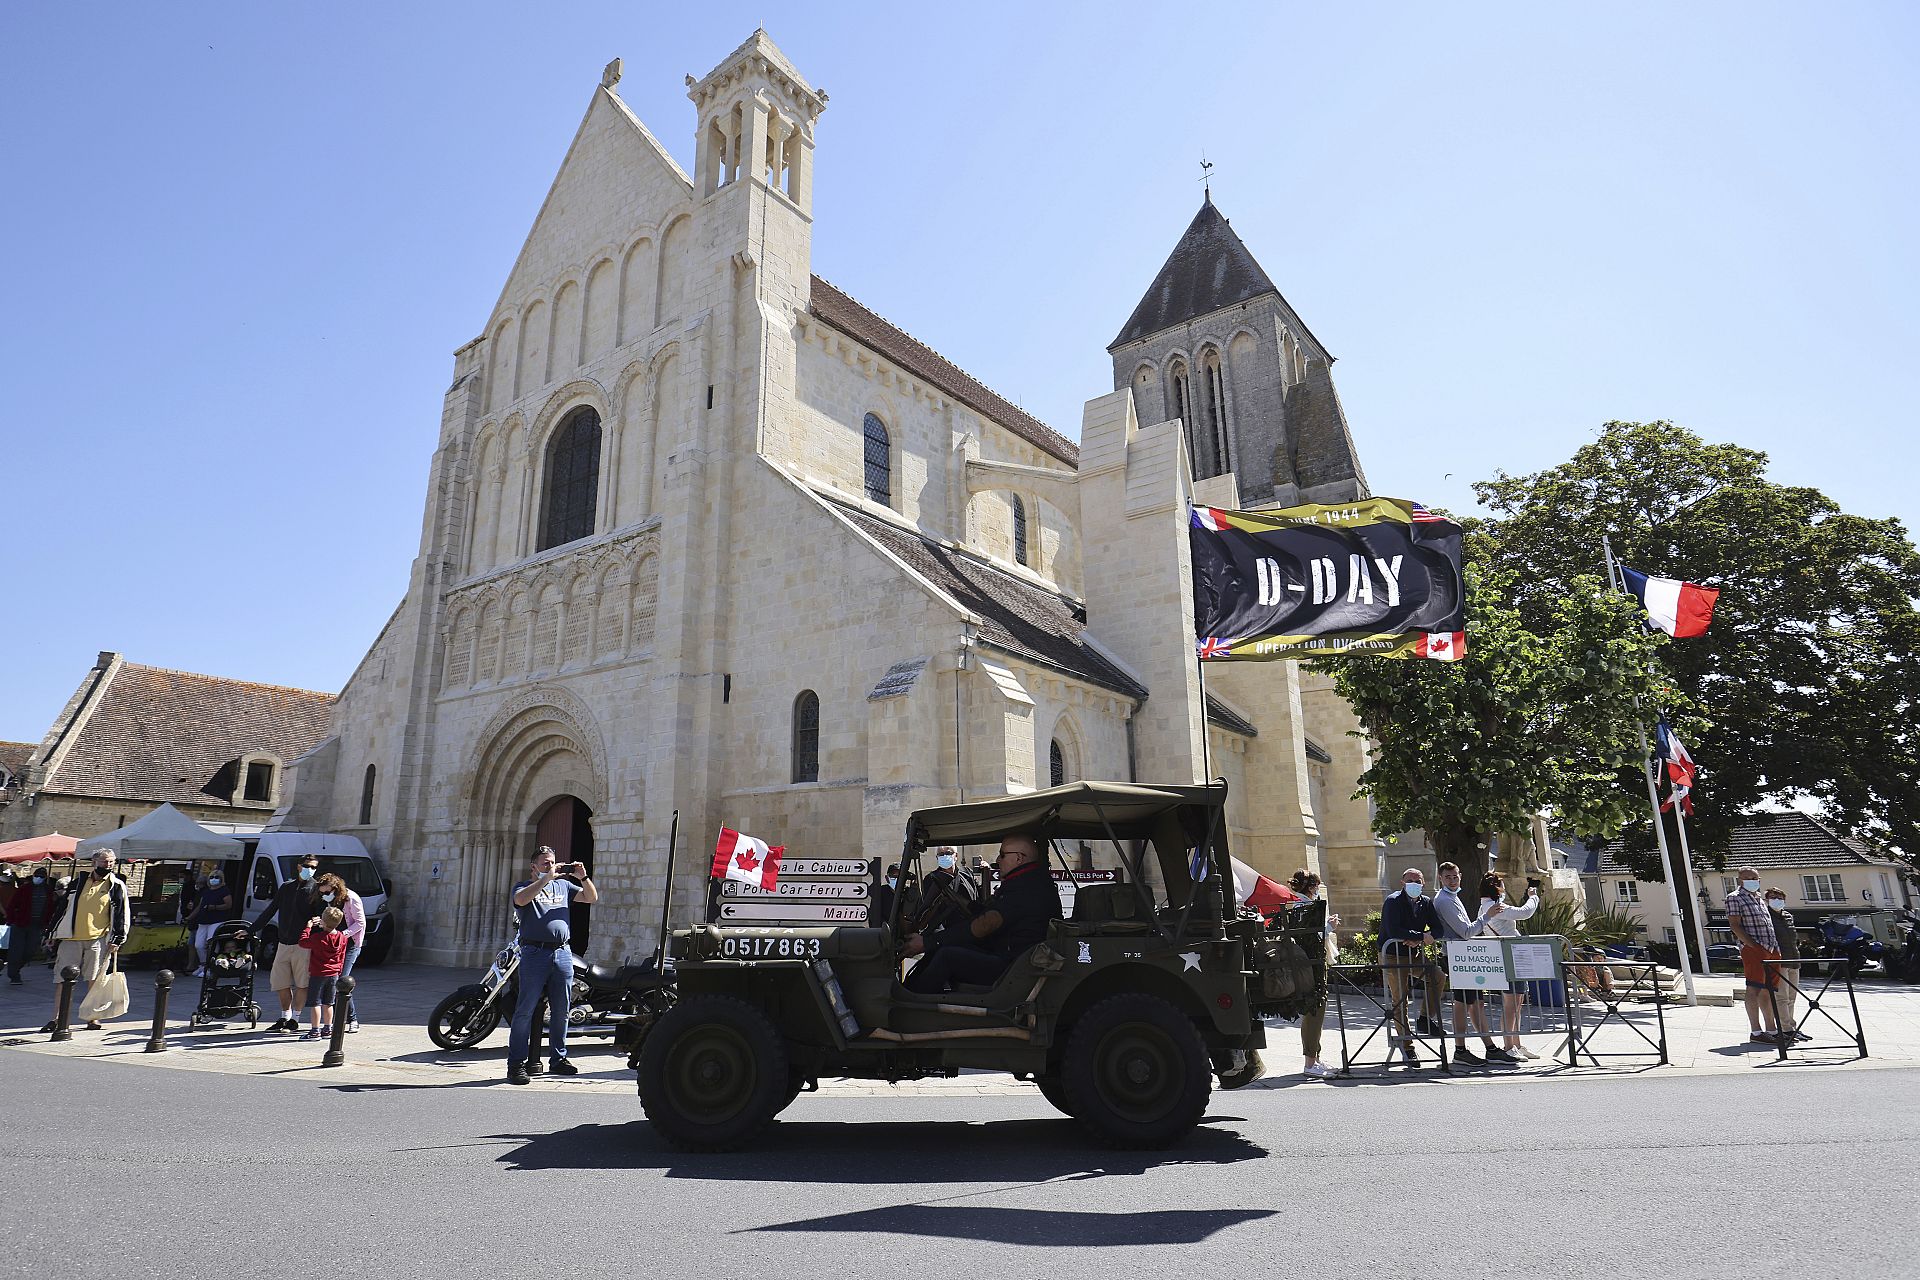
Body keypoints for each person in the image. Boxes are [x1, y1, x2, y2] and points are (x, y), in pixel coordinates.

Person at [902, 834, 1061, 993]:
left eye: (1003, 855)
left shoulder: (1025, 887)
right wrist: (963, 903)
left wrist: (927, 943)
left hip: (1013, 965)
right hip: (1014, 957)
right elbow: (993, 912)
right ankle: (910, 992)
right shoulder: (1028, 882)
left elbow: (985, 924)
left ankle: (910, 1002)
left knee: (946, 956)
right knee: (944, 946)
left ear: (1019, 858)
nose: (998, 860)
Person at [505, 845, 599, 1085]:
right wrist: (545, 879)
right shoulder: (523, 887)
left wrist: (583, 876)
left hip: (563, 952)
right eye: (545, 863)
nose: (551, 866)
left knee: (561, 1010)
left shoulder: (564, 886)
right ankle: (516, 1064)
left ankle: (558, 1059)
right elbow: (520, 900)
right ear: (533, 866)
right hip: (535, 953)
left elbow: (591, 898)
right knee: (524, 1010)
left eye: (553, 862)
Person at [43, 849, 132, 1031]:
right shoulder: (78, 882)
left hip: (97, 939)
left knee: (94, 981)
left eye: (111, 862)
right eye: (105, 861)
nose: (108, 865)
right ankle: (57, 1018)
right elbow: (62, 909)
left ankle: (92, 1018)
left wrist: (117, 939)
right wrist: (51, 933)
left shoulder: (116, 886)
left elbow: (122, 915)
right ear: (94, 861)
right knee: (62, 979)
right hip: (71, 937)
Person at [1431, 861, 1509, 1065]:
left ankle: (1489, 1048)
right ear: (1440, 878)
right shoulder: (1445, 900)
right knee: (1462, 1003)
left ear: (1460, 876)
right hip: (1457, 957)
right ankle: (1460, 1050)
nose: (1453, 880)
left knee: (1476, 1003)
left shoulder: (1451, 897)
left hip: (1464, 957)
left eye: (1455, 876)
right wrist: (1487, 917)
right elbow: (1466, 932)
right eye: (1448, 877)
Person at [253, 853, 324, 1033]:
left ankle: (295, 1019)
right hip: (283, 942)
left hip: (304, 945)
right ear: (299, 866)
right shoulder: (286, 887)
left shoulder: (317, 889)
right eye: (308, 865)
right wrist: (250, 930)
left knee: (302, 984)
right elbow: (270, 911)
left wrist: (318, 922)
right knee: (280, 983)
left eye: (314, 867)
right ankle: (285, 1017)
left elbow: (322, 916)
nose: (311, 869)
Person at [1378, 868, 1443, 1064]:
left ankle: (1424, 1019)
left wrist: (1418, 939)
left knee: (1438, 976)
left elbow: (1438, 929)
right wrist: (1420, 936)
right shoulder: (1393, 901)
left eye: (1418, 880)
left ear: (1423, 883)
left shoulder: (1426, 902)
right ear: (1402, 882)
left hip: (1412, 954)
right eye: (1410, 880)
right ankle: (1407, 1046)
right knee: (1400, 1000)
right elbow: (1393, 929)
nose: (1414, 883)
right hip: (1392, 955)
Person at [1477, 872, 1541, 1059]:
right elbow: (1525, 913)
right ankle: (1508, 1046)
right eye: (1501, 884)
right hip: (1509, 956)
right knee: (1511, 1004)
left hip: (1509, 955)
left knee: (1516, 1003)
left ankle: (1516, 1044)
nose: (1504, 888)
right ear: (1496, 887)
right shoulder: (1495, 907)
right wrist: (1533, 897)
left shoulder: (1484, 907)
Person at [1289, 870, 1339, 1078]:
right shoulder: (1304, 906)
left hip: (1312, 963)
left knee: (1316, 1010)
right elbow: (1309, 936)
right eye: (1317, 885)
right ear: (1311, 887)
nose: (1318, 889)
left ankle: (1315, 1058)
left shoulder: (1302, 905)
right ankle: (1310, 1062)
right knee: (1314, 1010)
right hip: (1311, 964)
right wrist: (1329, 927)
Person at [1726, 865, 1781, 1044]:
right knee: (1754, 988)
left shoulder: (1759, 899)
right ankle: (1756, 1032)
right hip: (1754, 948)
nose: (1752, 881)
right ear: (1740, 880)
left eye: (1755, 878)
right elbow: (1735, 925)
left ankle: (1771, 1029)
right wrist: (1752, 946)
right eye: (1748, 878)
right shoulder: (1735, 898)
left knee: (1769, 990)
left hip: (1772, 947)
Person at [314, 872, 366, 1033]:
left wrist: (343, 934)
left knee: (342, 981)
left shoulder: (352, 899)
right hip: (336, 944)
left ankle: (353, 1019)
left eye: (327, 892)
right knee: (334, 981)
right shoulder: (331, 902)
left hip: (350, 944)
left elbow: (360, 923)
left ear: (336, 889)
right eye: (322, 893)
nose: (324, 895)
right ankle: (339, 1019)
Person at [297, 906, 350, 1040]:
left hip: (318, 973)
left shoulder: (318, 938)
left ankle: (315, 1030)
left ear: (324, 922)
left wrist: (307, 928)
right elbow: (342, 956)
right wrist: (339, 970)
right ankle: (327, 1028)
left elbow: (302, 942)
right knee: (329, 1002)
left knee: (315, 1003)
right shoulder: (342, 938)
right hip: (334, 974)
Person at [1765, 886, 1807, 1043]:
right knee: (1781, 997)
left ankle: (1791, 1026)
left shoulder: (1788, 915)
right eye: (1773, 897)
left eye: (1780, 897)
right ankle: (1785, 1028)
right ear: (1767, 900)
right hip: (1779, 960)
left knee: (1792, 997)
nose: (1777, 900)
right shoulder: (1767, 916)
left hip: (1794, 959)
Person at [7, 865, 61, 985]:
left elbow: (51, 908)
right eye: (36, 876)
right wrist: (11, 919)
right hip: (20, 924)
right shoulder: (23, 889)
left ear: (45, 877)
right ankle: (14, 975)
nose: (38, 878)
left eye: (41, 876)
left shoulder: (48, 890)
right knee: (16, 950)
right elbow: (12, 905)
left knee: (30, 951)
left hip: (37, 925)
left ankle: (16, 968)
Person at [181, 865, 236, 978]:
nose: (214, 879)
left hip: (216, 920)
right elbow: (200, 906)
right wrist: (189, 917)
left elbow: (228, 905)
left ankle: (212, 967)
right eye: (212, 877)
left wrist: (215, 907)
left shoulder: (224, 890)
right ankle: (203, 965)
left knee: (211, 942)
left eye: (217, 877)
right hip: (203, 920)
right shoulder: (206, 891)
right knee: (198, 944)